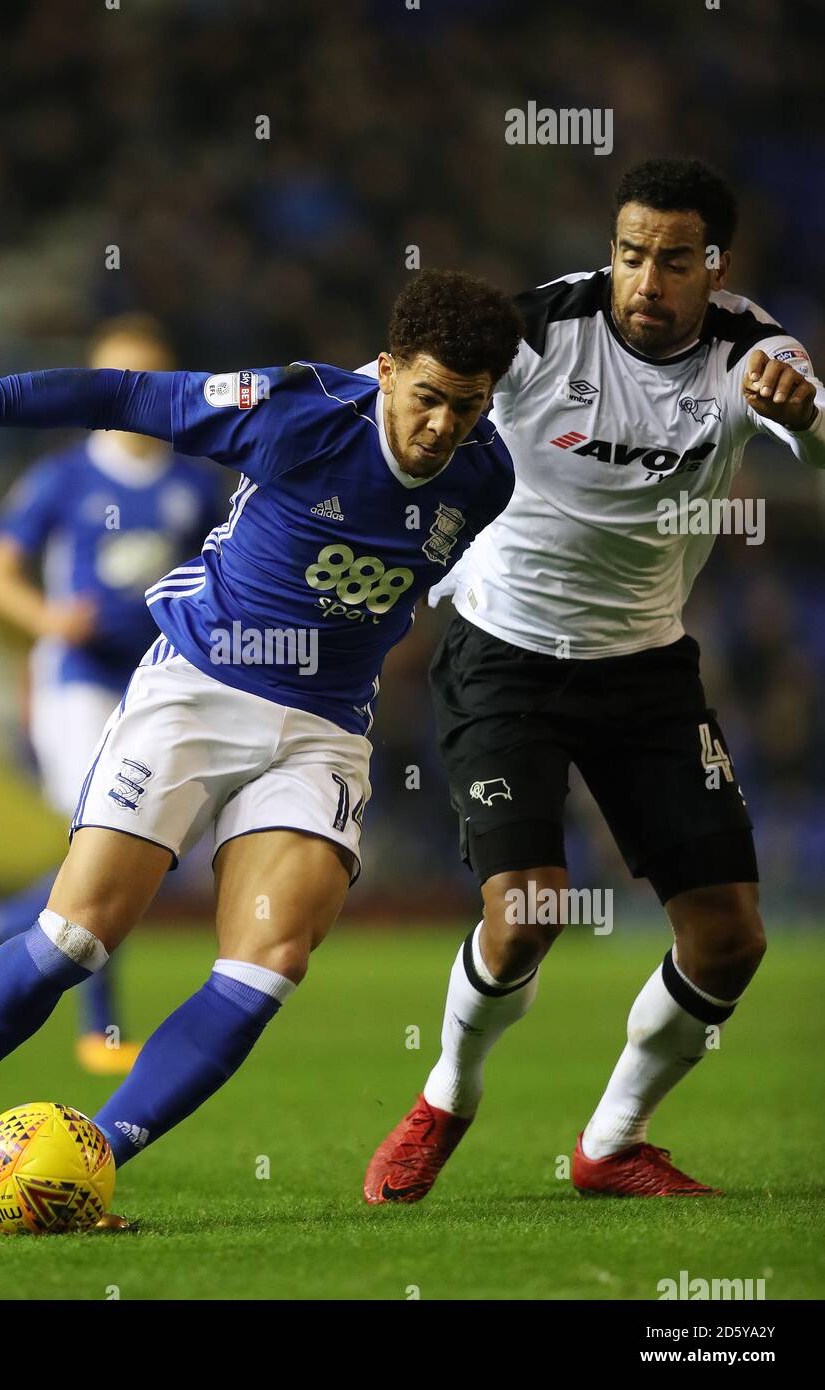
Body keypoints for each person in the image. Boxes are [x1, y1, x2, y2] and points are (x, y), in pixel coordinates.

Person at [0, 269, 522, 1208]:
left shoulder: (488, 478)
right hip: (198, 687)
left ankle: (78, 1170)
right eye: (427, 397)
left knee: (269, 966)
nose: (441, 428)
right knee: (74, 935)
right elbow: (122, 396)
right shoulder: (297, 410)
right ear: (386, 371)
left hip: (323, 729)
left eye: (466, 408)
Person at [364, 159, 825, 1204]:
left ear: (716, 267)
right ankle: (447, 1096)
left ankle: (613, 1141)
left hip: (646, 668)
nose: (644, 281)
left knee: (730, 938)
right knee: (527, 913)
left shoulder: (759, 353)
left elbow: (819, 437)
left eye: (672, 260)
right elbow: (395, 391)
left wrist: (806, 413)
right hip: (501, 654)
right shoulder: (535, 331)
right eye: (629, 254)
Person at [0, 314, 220, 1075]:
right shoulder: (63, 474)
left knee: (144, 848)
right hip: (74, 682)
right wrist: (49, 618)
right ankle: (97, 1031)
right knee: (112, 841)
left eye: (144, 379)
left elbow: (222, 573)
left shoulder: (192, 482)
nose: (129, 394)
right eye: (116, 378)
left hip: (156, 684)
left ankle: (2, 923)